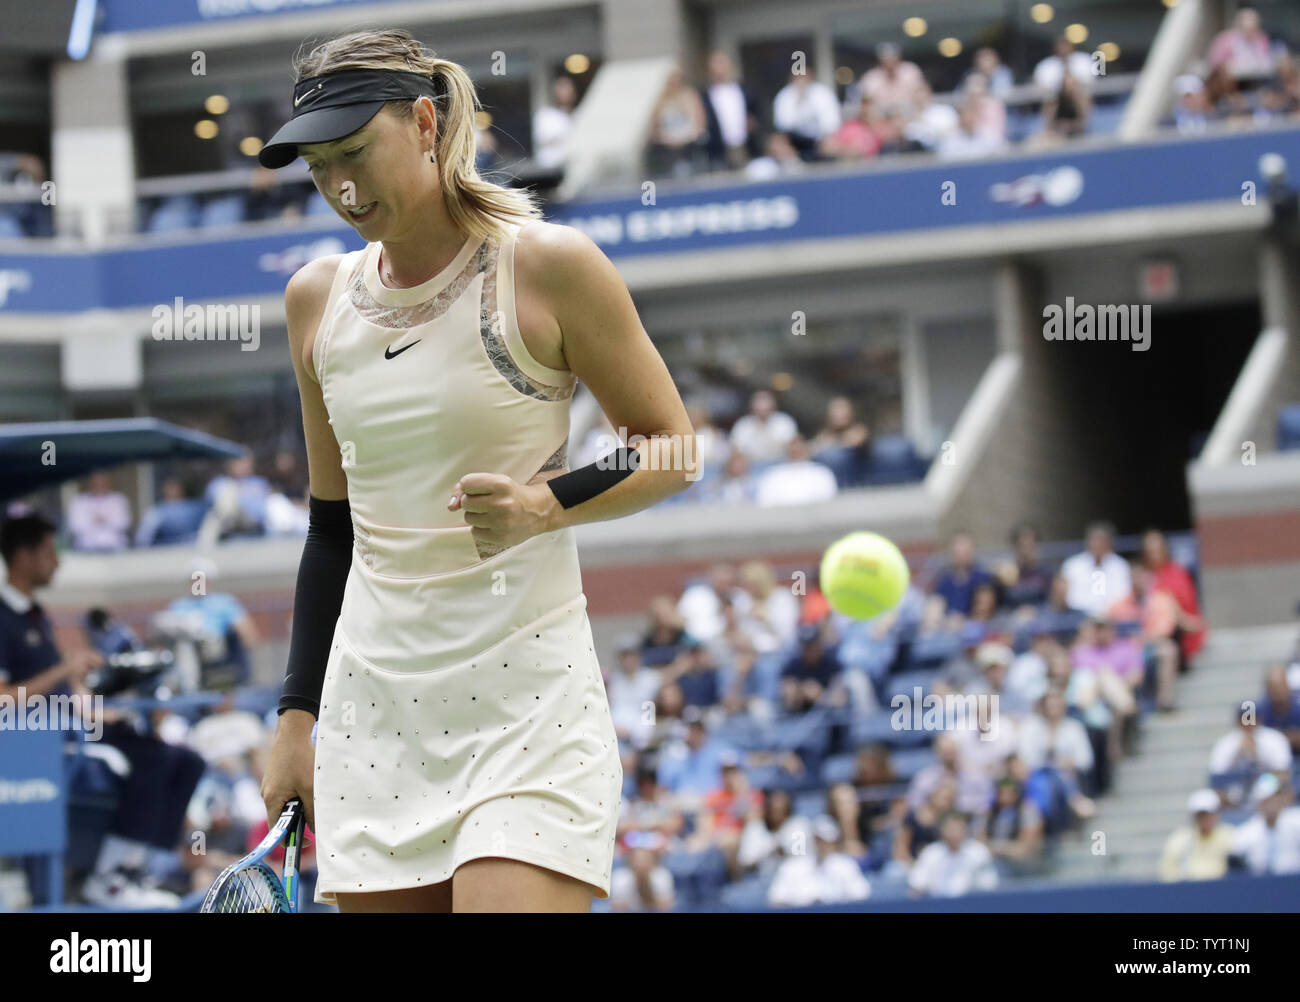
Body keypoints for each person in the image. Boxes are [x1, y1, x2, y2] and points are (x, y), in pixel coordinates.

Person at [255, 27, 698, 914]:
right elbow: (329, 527)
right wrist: (294, 721)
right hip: (374, 717)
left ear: (425, 122)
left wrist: (546, 505)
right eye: (316, 165)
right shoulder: (315, 301)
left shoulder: (549, 265)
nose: (340, 185)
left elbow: (673, 447)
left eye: (355, 151)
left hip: (529, 711)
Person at [908, 810, 998, 898]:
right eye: (952, 829)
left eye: (960, 829)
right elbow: (917, 884)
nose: (956, 834)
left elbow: (988, 885)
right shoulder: (931, 853)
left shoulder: (978, 851)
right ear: (942, 831)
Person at [699, 50, 761, 170]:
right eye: (716, 64)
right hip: (719, 151)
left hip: (746, 147)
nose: (719, 69)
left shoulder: (745, 89)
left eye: (722, 63)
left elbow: (756, 113)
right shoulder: (704, 95)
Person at [1158, 789, 1235, 882]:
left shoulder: (1229, 836)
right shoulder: (1179, 839)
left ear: (1217, 814)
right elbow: (1168, 870)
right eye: (1200, 815)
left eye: (1208, 814)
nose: (1204, 819)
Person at [1060, 520, 1131, 617]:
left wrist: (1106, 612)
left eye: (1102, 540)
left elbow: (1123, 596)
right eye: (1095, 540)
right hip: (1078, 616)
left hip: (1111, 617)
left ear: (1109, 543)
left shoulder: (1121, 566)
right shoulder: (1072, 565)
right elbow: (1066, 597)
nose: (1098, 544)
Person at [771, 67, 841, 161]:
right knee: (777, 143)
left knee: (832, 143)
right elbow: (783, 127)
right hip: (794, 141)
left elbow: (831, 125)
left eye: (804, 77)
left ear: (810, 78)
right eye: (798, 78)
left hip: (818, 140)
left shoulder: (823, 93)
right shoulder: (784, 96)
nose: (801, 81)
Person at [66, 472, 132, 552]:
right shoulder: (79, 501)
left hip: (115, 547)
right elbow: (75, 526)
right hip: (86, 548)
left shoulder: (118, 499)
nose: (100, 485)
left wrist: (101, 520)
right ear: (90, 483)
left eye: (103, 482)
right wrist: (98, 521)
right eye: (96, 483)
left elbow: (123, 522)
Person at [531, 75, 577, 170]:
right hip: (551, 168)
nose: (565, 93)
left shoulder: (579, 113)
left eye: (568, 88)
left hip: (574, 166)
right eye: (561, 88)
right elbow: (542, 140)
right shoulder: (545, 115)